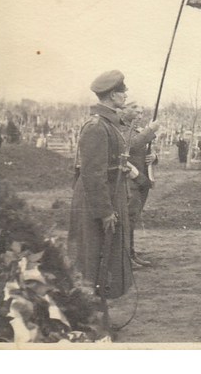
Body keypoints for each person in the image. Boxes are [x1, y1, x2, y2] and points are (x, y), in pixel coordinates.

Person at [68, 70, 132, 303]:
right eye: (122, 93)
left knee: (106, 255)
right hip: (96, 200)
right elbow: (93, 174)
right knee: (92, 257)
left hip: (107, 193)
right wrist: (104, 211)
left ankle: (98, 311)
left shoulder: (108, 123)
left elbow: (108, 164)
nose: (125, 96)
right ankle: (90, 315)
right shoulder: (97, 126)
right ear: (113, 96)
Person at [120, 102, 160, 268]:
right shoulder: (120, 128)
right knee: (127, 219)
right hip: (130, 181)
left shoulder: (136, 130)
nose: (139, 115)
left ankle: (131, 253)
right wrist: (150, 130)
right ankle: (124, 257)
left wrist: (154, 157)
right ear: (124, 110)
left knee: (133, 219)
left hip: (142, 180)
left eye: (141, 112)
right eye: (135, 111)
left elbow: (143, 150)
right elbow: (130, 145)